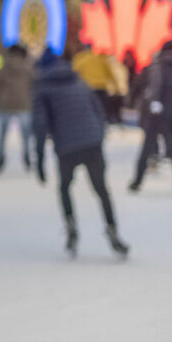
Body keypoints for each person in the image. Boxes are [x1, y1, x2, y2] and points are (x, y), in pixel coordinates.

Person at [32, 50, 129, 258]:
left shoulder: (42, 88)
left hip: (67, 147)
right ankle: (113, 232)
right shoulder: (78, 81)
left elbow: (39, 125)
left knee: (65, 188)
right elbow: (98, 110)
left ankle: (71, 228)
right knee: (101, 190)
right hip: (92, 142)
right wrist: (99, 135)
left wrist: (39, 161)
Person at [129, 41, 172, 194]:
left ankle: (137, 182)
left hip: (157, 113)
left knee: (147, 146)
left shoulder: (159, 65)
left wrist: (154, 102)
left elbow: (156, 84)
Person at [0, 45, 34, 175]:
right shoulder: (28, 69)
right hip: (24, 104)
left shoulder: (3, 69)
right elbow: (34, 85)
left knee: (2, 135)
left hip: (5, 104)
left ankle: (0, 158)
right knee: (25, 135)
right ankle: (27, 157)